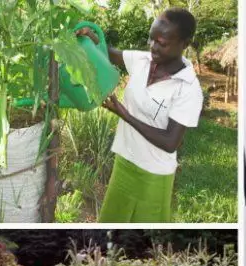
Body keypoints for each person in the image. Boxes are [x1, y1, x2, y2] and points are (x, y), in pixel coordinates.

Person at [76, 7, 203, 223]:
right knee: (110, 225)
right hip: (125, 161)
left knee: (149, 234)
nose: (153, 47)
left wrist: (125, 115)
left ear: (185, 44)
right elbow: (110, 53)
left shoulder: (188, 89)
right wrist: (91, 37)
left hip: (154, 175)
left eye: (162, 43)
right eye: (151, 39)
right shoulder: (143, 61)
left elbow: (171, 142)